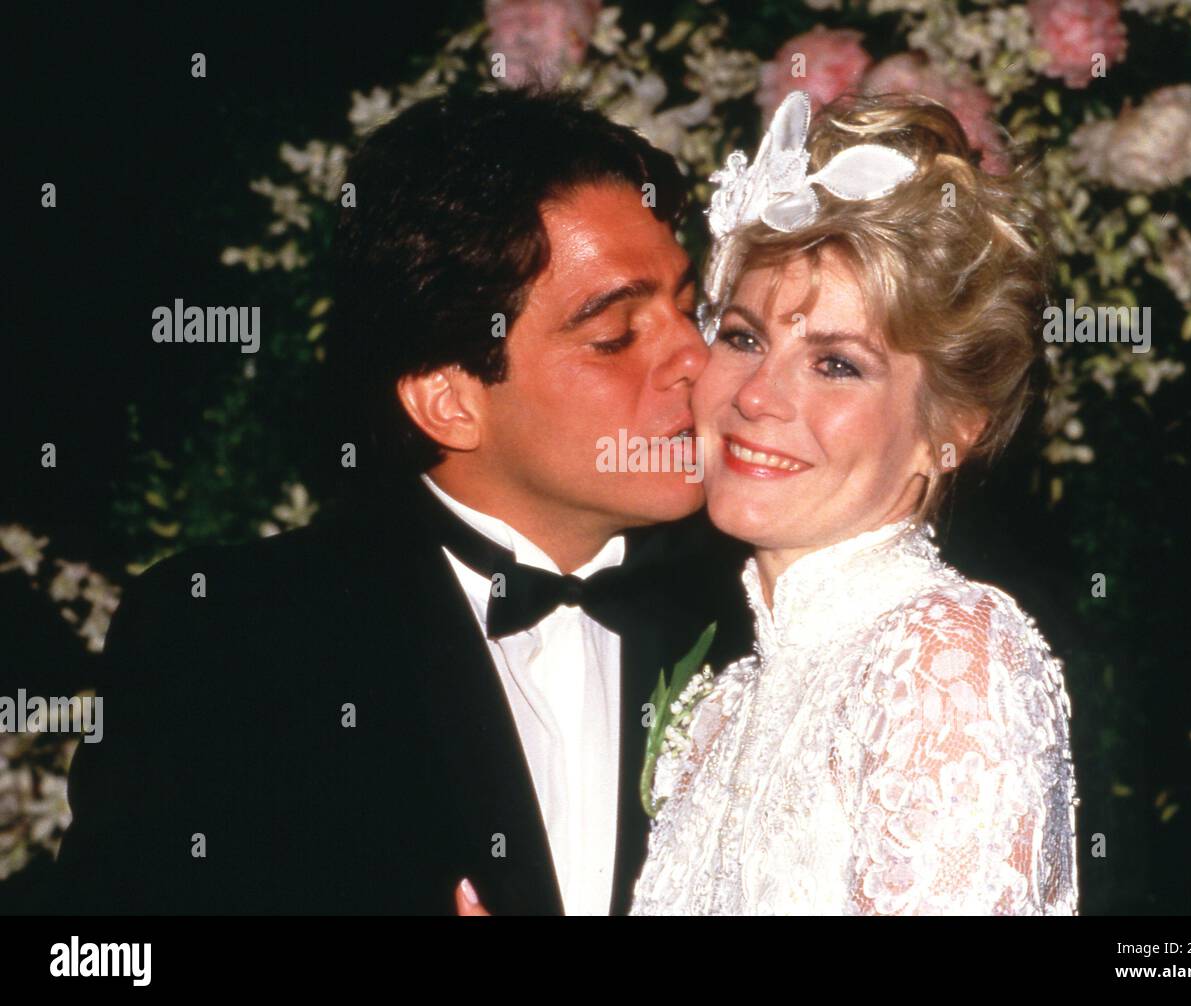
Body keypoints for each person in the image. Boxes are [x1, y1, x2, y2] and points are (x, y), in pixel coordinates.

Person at [56, 88, 754, 915]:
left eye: (688, 308)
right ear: (448, 401)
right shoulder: (228, 639)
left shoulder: (771, 607)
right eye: (613, 336)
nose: (696, 357)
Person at [628, 90, 1080, 915]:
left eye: (837, 363)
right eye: (743, 337)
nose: (758, 396)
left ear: (949, 432)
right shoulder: (723, 707)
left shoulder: (945, 660)